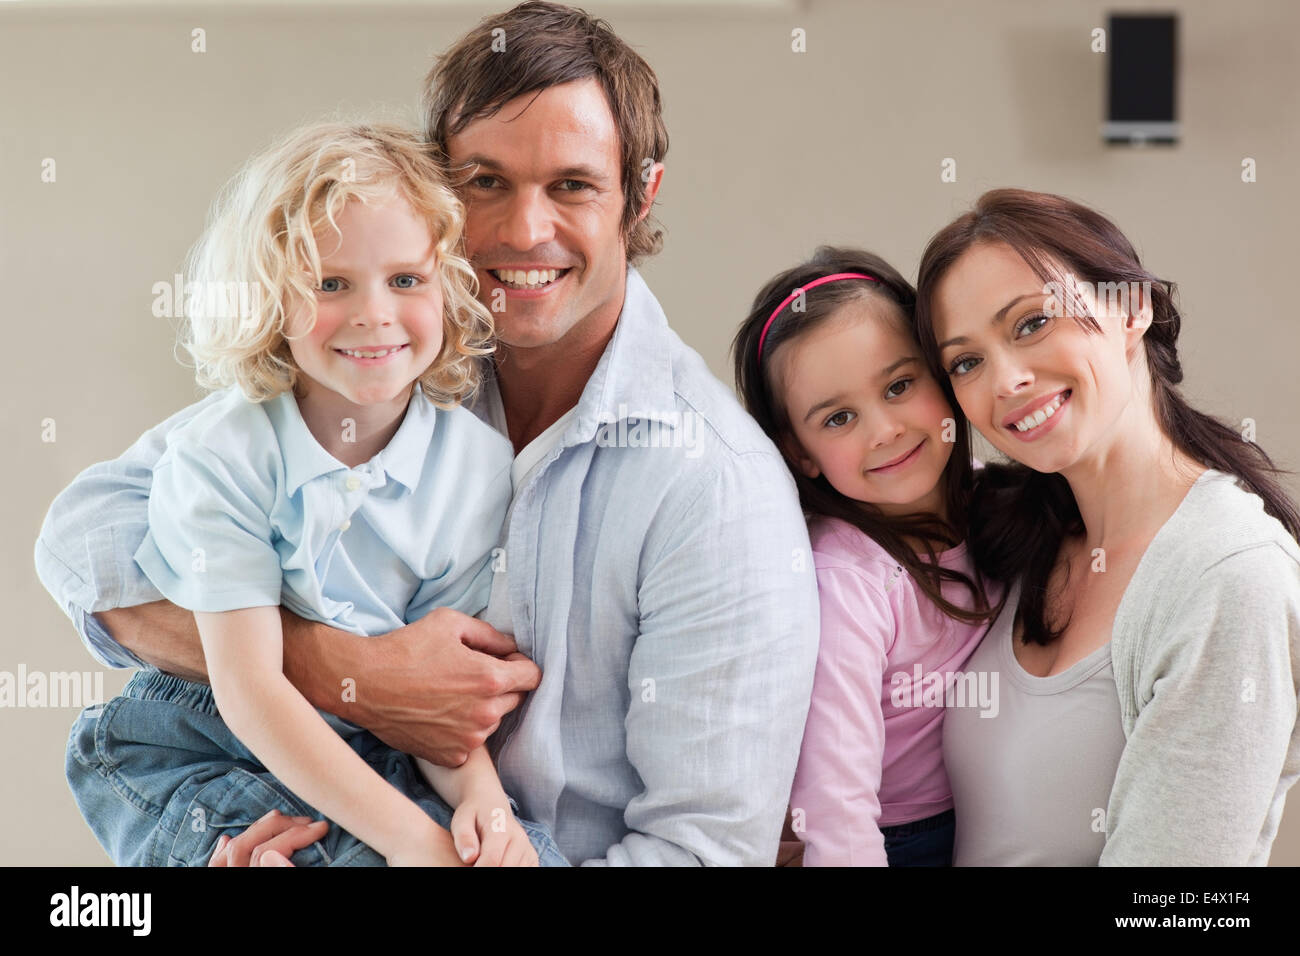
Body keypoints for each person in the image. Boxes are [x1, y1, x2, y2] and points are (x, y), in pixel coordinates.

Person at [35, 1, 820, 866]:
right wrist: (356, 675)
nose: (525, 231)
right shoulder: (385, 367)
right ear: (435, 195)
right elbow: (85, 541)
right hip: (304, 802)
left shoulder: (717, 485)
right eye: (486, 181)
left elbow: (704, 853)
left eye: (572, 185)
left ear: (641, 195)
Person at [915, 187, 1300, 865]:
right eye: (966, 362)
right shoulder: (1011, 535)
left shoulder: (1229, 575)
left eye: (1032, 323)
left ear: (1132, 307)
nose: (1005, 381)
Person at [733, 247, 1000, 866]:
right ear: (801, 454)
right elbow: (835, 799)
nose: (884, 430)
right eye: (839, 418)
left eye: (900, 386)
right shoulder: (848, 578)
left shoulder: (996, 498)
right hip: (897, 838)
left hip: (990, 811)